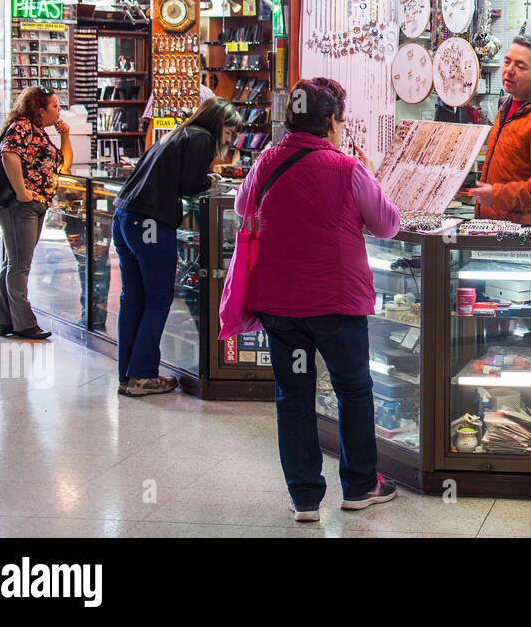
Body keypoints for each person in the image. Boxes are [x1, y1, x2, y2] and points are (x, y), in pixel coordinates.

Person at [237, 77, 401, 523]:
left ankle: (305, 497)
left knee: (293, 395)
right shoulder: (347, 168)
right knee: (353, 390)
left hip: (280, 304)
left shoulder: (265, 162)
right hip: (337, 303)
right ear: (331, 121)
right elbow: (387, 225)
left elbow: (241, 208)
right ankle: (360, 486)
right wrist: (372, 176)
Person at [113, 97, 241, 396]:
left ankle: (128, 375)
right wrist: (209, 183)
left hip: (125, 217)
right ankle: (142, 375)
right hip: (151, 223)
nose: (230, 139)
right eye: (229, 131)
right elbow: (190, 184)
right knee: (158, 300)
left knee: (132, 299)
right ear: (218, 124)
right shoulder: (202, 137)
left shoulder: (175, 133)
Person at [0, 86, 72, 340]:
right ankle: (24, 323)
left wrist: (65, 136)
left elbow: (64, 164)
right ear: (39, 109)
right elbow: (8, 154)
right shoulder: (22, 126)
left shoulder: (38, 132)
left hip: (35, 204)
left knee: (13, 263)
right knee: (19, 265)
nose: (58, 110)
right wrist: (21, 191)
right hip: (22, 206)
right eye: (54, 106)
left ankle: (6, 320)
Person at [469, 35, 531, 226]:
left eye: (520, 67)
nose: (509, 71)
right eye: (507, 62)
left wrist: (497, 195)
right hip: (496, 224)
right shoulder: (507, 106)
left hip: (524, 234)